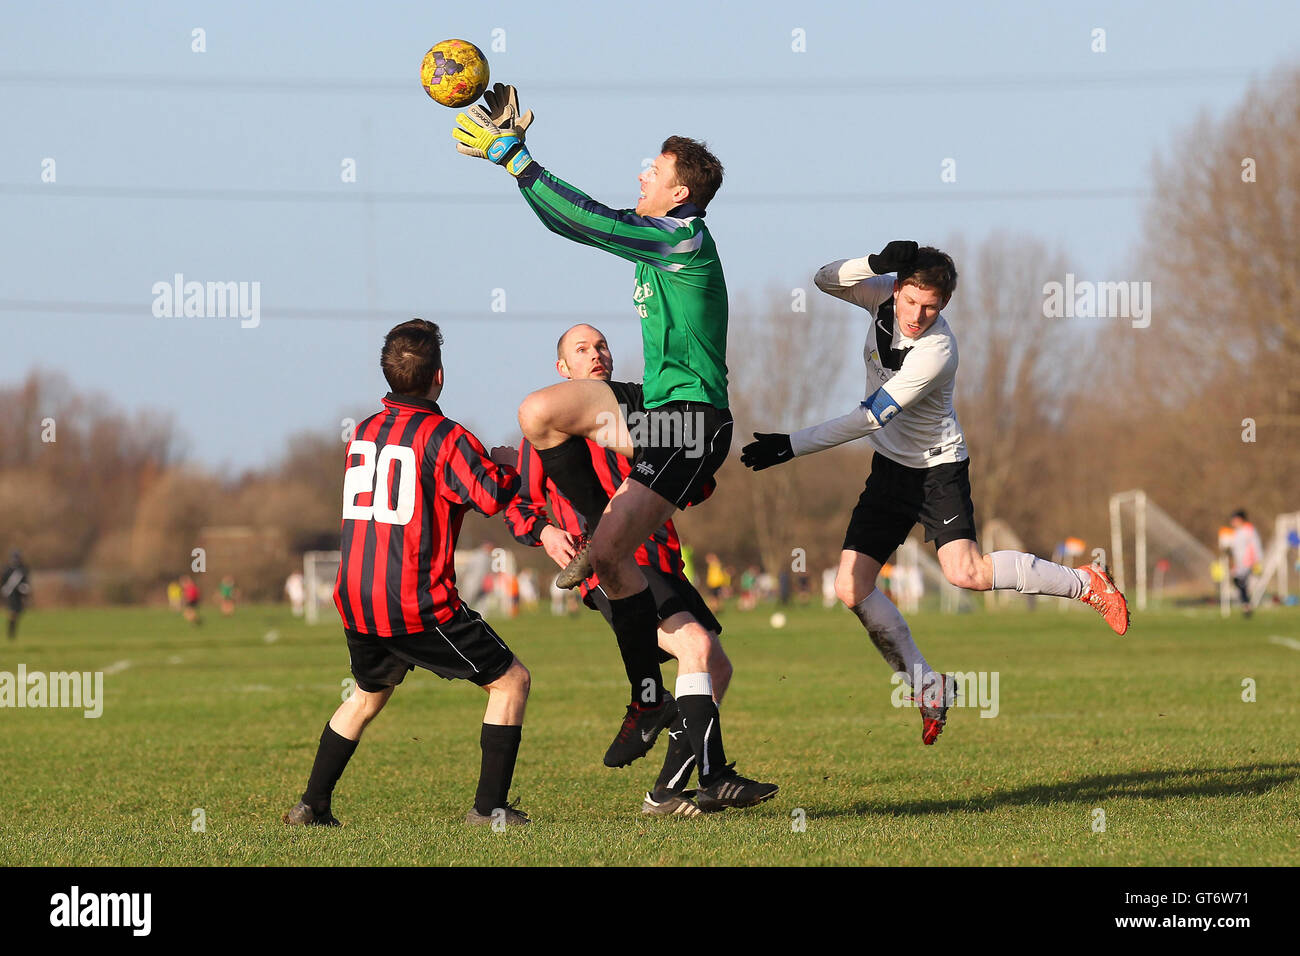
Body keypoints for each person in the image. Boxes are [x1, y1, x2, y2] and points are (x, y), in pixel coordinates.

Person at [742, 241, 1130, 744]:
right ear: (897, 289)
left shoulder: (938, 351)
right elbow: (824, 279)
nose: (916, 316)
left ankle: (1085, 582)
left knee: (966, 573)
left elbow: (870, 417)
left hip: (937, 469)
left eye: (930, 307)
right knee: (850, 588)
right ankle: (927, 686)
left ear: (944, 304)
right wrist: (874, 263)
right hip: (889, 470)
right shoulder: (880, 293)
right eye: (910, 301)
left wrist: (792, 445)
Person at [453, 86, 734, 769]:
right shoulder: (661, 239)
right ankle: (658, 710)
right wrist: (517, 162)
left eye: (654, 171)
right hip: (659, 410)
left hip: (691, 423)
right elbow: (581, 223)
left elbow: (584, 222)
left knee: (625, 576)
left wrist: (516, 159)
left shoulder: (677, 237)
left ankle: (657, 714)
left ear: (678, 193)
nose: (642, 175)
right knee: (539, 414)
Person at [503, 323, 775, 815]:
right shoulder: (553, 429)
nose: (596, 354)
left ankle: (665, 792)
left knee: (716, 668)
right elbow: (519, 502)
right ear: (563, 369)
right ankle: (712, 775)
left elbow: (691, 478)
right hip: (617, 571)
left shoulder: (641, 415)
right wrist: (544, 531)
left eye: (601, 346)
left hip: (662, 560)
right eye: (581, 349)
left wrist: (690, 468)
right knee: (696, 648)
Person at [283, 319, 532, 827]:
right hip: (415, 602)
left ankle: (312, 805)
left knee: (365, 697)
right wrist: (512, 465)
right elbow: (490, 496)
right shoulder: (446, 436)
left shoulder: (363, 432)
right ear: (439, 375)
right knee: (511, 681)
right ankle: (489, 810)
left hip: (357, 598)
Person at [1227, 509, 1263, 617]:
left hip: (1248, 562)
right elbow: (1236, 549)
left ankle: (1246, 605)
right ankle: (1246, 604)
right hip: (1240, 563)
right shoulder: (1237, 532)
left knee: (1242, 582)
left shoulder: (1249, 530)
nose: (1232, 522)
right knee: (1238, 581)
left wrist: (1257, 561)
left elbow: (1256, 545)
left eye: (1234, 519)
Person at [2, 551, 31, 641]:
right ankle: (11, 634)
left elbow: (25, 582)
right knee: (12, 614)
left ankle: (12, 634)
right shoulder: (7, 569)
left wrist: (23, 589)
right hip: (11, 595)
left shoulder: (23, 569)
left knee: (17, 614)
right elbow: (3, 582)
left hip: (19, 595)